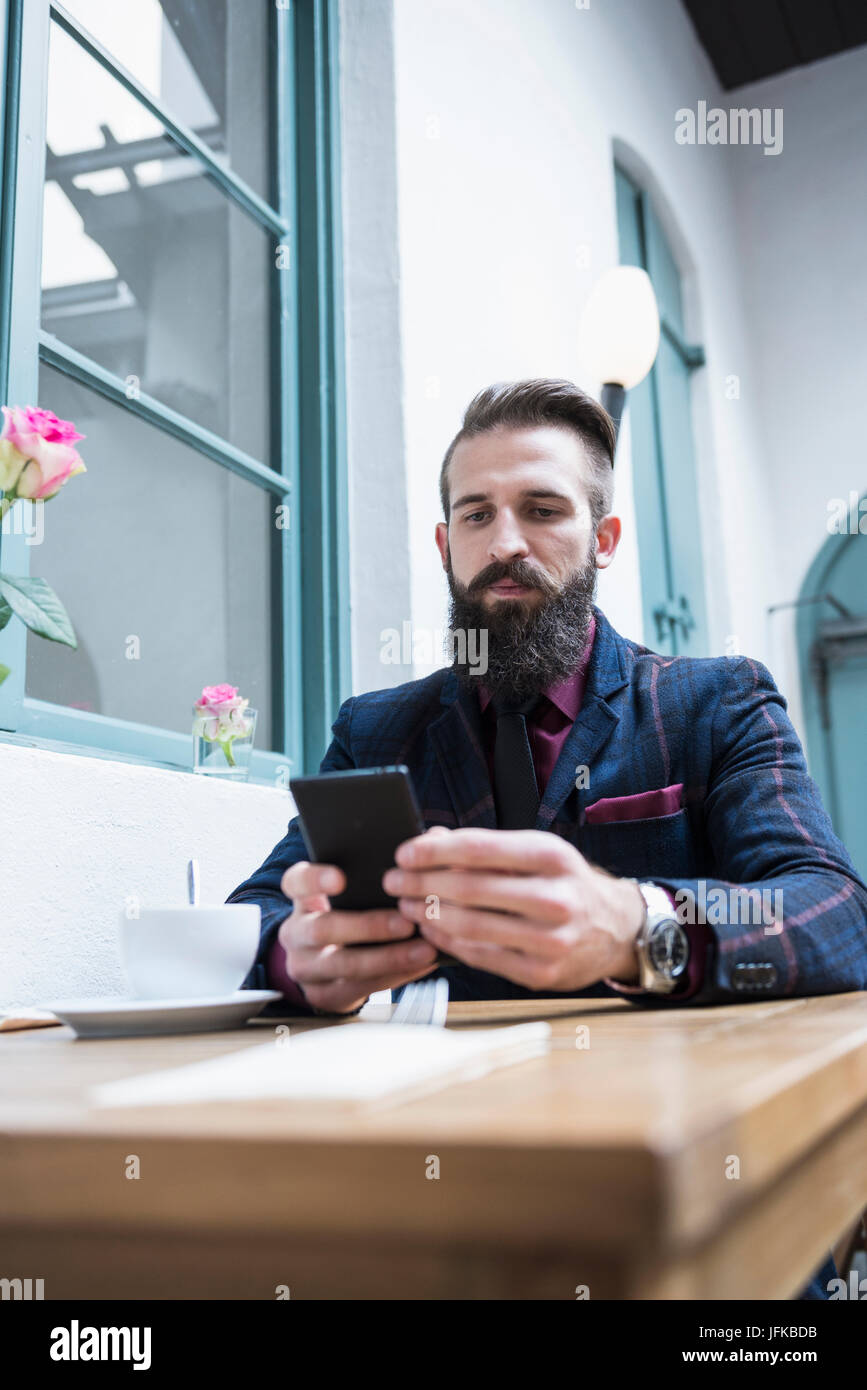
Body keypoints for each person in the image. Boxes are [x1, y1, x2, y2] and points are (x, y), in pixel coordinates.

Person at [229, 378, 867, 1300]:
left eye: (542, 510)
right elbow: (254, 914)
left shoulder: (714, 702)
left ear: (602, 538)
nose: (507, 544)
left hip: (691, 1186)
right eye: (476, 516)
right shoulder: (374, 732)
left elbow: (837, 910)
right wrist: (296, 959)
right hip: (443, 1190)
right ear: (445, 546)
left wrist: (634, 924)